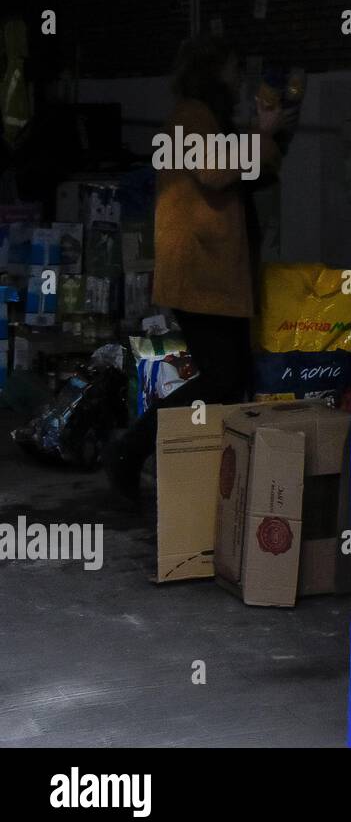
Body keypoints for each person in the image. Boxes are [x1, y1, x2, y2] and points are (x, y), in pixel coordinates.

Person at [105, 34, 296, 502]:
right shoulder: (190, 116)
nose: (238, 77)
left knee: (229, 379)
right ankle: (132, 449)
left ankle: (213, 478)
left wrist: (271, 133)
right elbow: (215, 171)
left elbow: (251, 173)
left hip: (216, 276)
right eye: (232, 68)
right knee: (221, 378)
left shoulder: (207, 118)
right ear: (213, 71)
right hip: (202, 276)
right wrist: (263, 132)